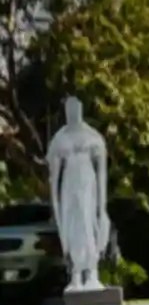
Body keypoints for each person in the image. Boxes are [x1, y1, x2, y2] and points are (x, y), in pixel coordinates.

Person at [47, 96, 110, 292]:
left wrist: (102, 204)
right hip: (69, 185)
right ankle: (75, 274)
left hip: (87, 184)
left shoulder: (93, 137)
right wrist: (55, 203)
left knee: (88, 221)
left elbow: (101, 174)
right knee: (72, 224)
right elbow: (54, 176)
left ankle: (92, 272)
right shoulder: (60, 139)